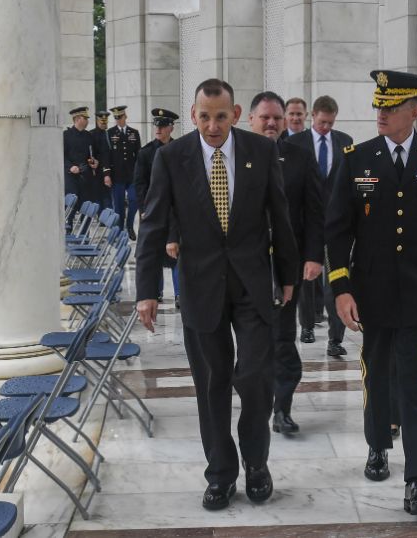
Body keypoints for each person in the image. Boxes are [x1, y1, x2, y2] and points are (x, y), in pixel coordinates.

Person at [136, 79, 299, 511]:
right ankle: (221, 474)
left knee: (256, 380)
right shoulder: (172, 158)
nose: (212, 126)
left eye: (221, 116)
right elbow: (152, 225)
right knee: (212, 385)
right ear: (193, 115)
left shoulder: (261, 152)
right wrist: (147, 291)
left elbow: (279, 216)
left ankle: (257, 464)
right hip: (200, 285)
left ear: (237, 113)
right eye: (204, 116)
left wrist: (287, 274)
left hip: (251, 284)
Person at [326, 70, 417, 516]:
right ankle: (378, 445)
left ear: (415, 111)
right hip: (372, 290)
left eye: (391, 107)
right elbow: (338, 229)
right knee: (375, 371)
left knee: (416, 382)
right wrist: (341, 289)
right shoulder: (356, 158)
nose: (380, 113)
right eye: (378, 106)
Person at [246, 91, 324, 436]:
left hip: (283, 270)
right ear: (250, 120)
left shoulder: (300, 157)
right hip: (244, 269)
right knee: (251, 345)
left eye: (277, 118)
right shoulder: (233, 156)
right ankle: (254, 406)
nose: (272, 123)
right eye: (265, 117)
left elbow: (314, 212)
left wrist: (313, 256)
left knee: (282, 341)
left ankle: (282, 408)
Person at [287, 95, 353, 357]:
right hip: (305, 225)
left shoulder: (345, 142)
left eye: (331, 123)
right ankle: (306, 326)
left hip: (336, 225)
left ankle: (336, 339)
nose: (326, 127)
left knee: (336, 283)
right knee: (306, 281)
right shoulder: (294, 143)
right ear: (312, 116)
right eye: (323, 122)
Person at [134, 108, 180, 303]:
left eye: (162, 126)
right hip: (154, 210)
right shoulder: (146, 153)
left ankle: (180, 293)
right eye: (156, 126)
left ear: (171, 127)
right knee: (153, 250)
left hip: (176, 210)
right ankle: (156, 291)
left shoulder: (180, 150)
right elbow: (140, 183)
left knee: (177, 251)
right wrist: (144, 209)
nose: (158, 130)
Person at [107, 105, 142, 239]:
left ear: (125, 116)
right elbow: (107, 155)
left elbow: (139, 154)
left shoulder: (134, 132)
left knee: (134, 200)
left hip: (132, 174)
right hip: (117, 175)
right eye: (116, 118)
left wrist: (140, 173)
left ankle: (129, 225)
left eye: (120, 117)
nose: (118, 120)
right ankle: (120, 229)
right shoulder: (110, 133)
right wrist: (107, 174)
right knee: (119, 205)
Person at [62, 106, 98, 227]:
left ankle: (85, 234)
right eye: (85, 118)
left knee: (86, 205)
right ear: (77, 119)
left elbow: (92, 155)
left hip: (85, 176)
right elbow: (61, 156)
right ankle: (68, 227)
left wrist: (94, 162)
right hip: (71, 176)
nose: (88, 121)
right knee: (71, 204)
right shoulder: (66, 135)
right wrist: (70, 167)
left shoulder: (89, 136)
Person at [87, 110, 113, 209]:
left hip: (106, 170)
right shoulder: (92, 134)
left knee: (107, 198)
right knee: (99, 199)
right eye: (102, 122)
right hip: (96, 171)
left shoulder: (107, 134)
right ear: (97, 121)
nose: (104, 124)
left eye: (105, 122)